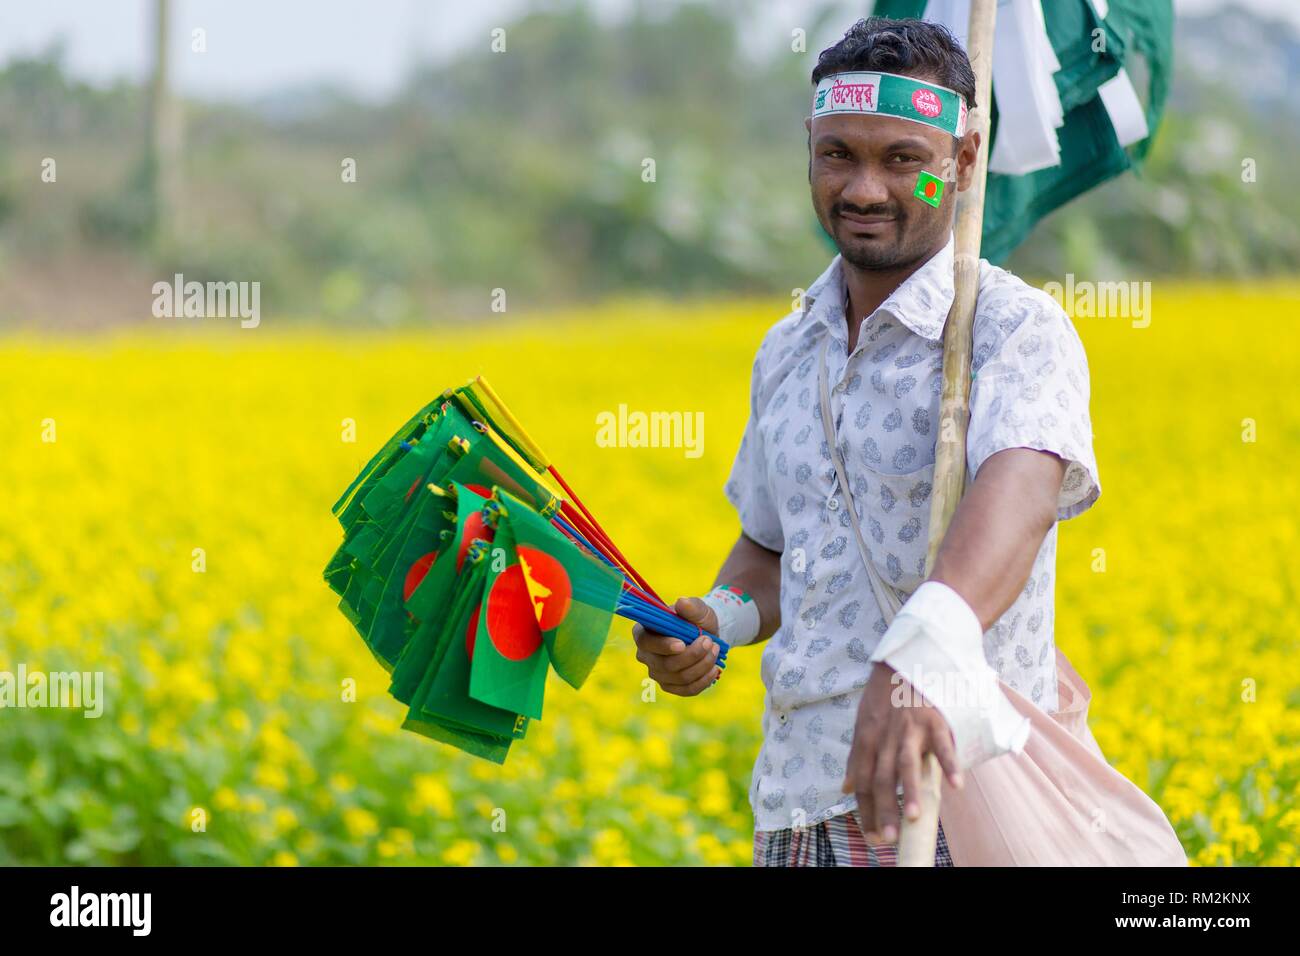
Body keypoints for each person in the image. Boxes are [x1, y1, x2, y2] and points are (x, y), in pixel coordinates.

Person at [632, 16, 1101, 867]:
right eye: (837, 154)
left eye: (903, 160)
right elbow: (776, 548)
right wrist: (718, 621)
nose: (863, 189)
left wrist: (922, 649)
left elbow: (1023, 494)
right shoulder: (788, 346)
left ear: (962, 163)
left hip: (953, 802)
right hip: (797, 802)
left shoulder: (1012, 327)